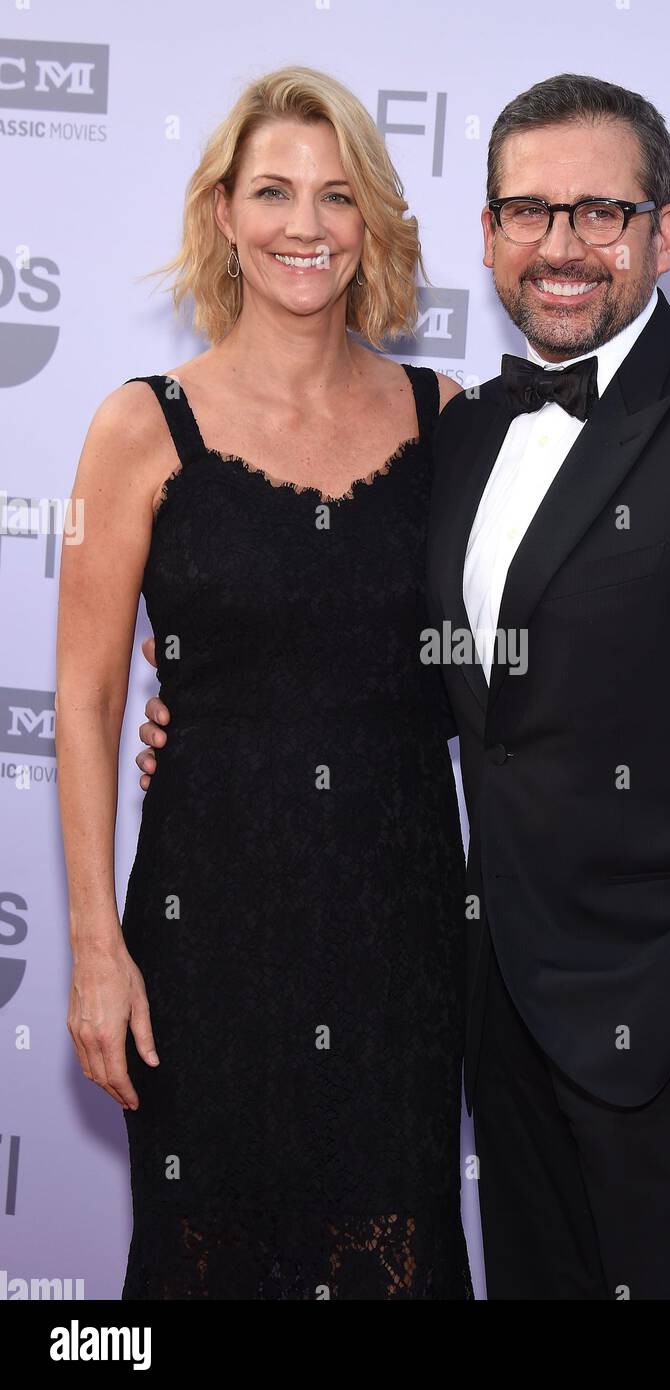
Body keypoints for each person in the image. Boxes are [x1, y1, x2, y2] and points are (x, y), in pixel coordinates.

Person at [137, 73, 670, 1301]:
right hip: (495, 1022)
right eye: (529, 213)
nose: (562, 246)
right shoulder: (463, 430)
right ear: (486, 237)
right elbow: (402, 659)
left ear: (663, 233)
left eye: (600, 212)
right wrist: (211, 718)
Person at [56, 66, 471, 1300]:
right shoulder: (139, 425)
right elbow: (81, 700)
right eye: (274, 192)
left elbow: (487, 666)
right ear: (224, 214)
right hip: (206, 928)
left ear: (371, 223)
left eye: (337, 196)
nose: (306, 225)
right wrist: (94, 945)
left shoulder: (444, 415)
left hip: (397, 928)